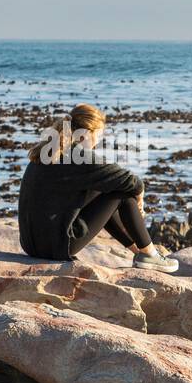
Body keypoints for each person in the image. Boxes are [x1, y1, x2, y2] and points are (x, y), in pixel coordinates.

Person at [17, 103, 178, 272]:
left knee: (105, 188)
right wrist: (140, 199)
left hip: (30, 245)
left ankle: (139, 252)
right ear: (87, 133)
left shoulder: (49, 150)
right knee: (122, 196)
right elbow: (132, 181)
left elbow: (114, 179)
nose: (98, 142)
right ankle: (150, 254)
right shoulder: (77, 156)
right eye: (99, 135)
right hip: (55, 247)